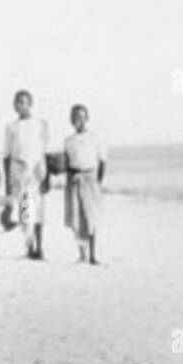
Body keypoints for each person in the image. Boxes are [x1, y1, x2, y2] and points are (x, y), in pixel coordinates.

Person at [3, 89, 50, 259]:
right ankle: (29, 248)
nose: (20, 105)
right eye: (17, 102)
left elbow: (45, 151)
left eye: (23, 102)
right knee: (26, 211)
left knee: (39, 211)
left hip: (37, 171)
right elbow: (7, 155)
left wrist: (47, 177)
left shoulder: (41, 123)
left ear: (30, 104)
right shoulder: (11, 127)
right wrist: (8, 181)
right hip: (19, 170)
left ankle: (40, 248)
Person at [63, 103, 106, 264]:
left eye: (81, 117)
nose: (78, 120)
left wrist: (98, 182)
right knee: (75, 218)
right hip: (74, 179)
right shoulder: (68, 140)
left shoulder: (95, 137)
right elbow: (67, 163)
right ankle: (82, 254)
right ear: (71, 120)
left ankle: (93, 255)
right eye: (75, 117)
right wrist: (69, 180)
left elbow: (102, 162)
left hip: (90, 178)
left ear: (87, 118)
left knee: (91, 218)